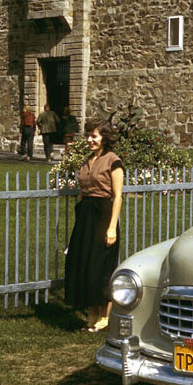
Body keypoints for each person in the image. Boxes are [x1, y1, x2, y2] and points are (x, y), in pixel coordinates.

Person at [64, 119, 124, 332]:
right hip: (86, 217)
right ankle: (91, 314)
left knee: (101, 266)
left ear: (104, 138)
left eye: (94, 136)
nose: (90, 139)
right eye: (88, 135)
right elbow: (83, 190)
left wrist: (111, 227)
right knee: (85, 263)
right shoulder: (87, 161)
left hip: (104, 216)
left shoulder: (113, 162)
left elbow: (117, 197)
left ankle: (105, 316)